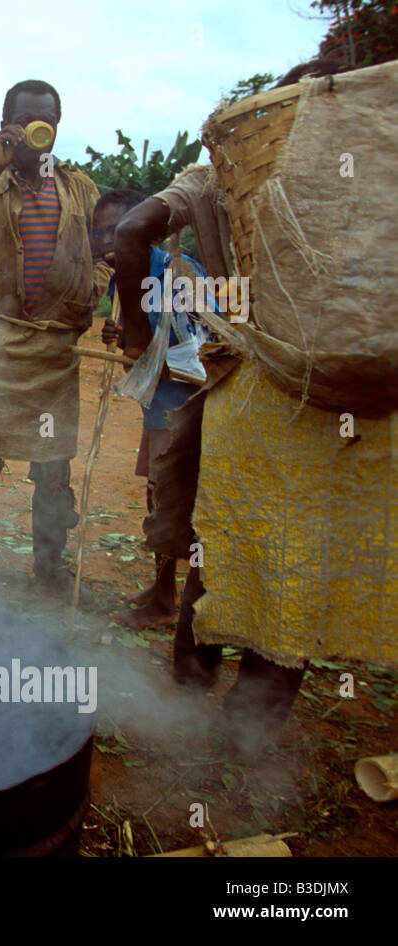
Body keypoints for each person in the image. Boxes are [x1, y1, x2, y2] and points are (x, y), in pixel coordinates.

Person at [112, 60, 395, 749]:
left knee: (225, 545)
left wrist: (140, 330)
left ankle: (188, 692)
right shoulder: (378, 180)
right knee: (304, 560)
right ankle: (253, 726)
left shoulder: (220, 177)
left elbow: (127, 235)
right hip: (360, 407)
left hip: (257, 398)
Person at [0, 79, 110, 593]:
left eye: (49, 119)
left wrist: (87, 295)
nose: (41, 129)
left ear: (58, 122)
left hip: (56, 350)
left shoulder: (79, 186)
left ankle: (50, 568)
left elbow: (103, 252)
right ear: (6, 120)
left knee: (53, 466)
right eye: (29, 118)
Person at [92, 188, 204, 629]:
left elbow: (202, 352)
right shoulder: (126, 275)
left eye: (117, 232)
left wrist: (149, 357)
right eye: (98, 231)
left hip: (182, 411)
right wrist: (124, 337)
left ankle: (178, 605)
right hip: (160, 408)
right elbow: (147, 339)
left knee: (176, 501)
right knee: (158, 496)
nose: (107, 241)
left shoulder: (176, 276)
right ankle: (162, 590)